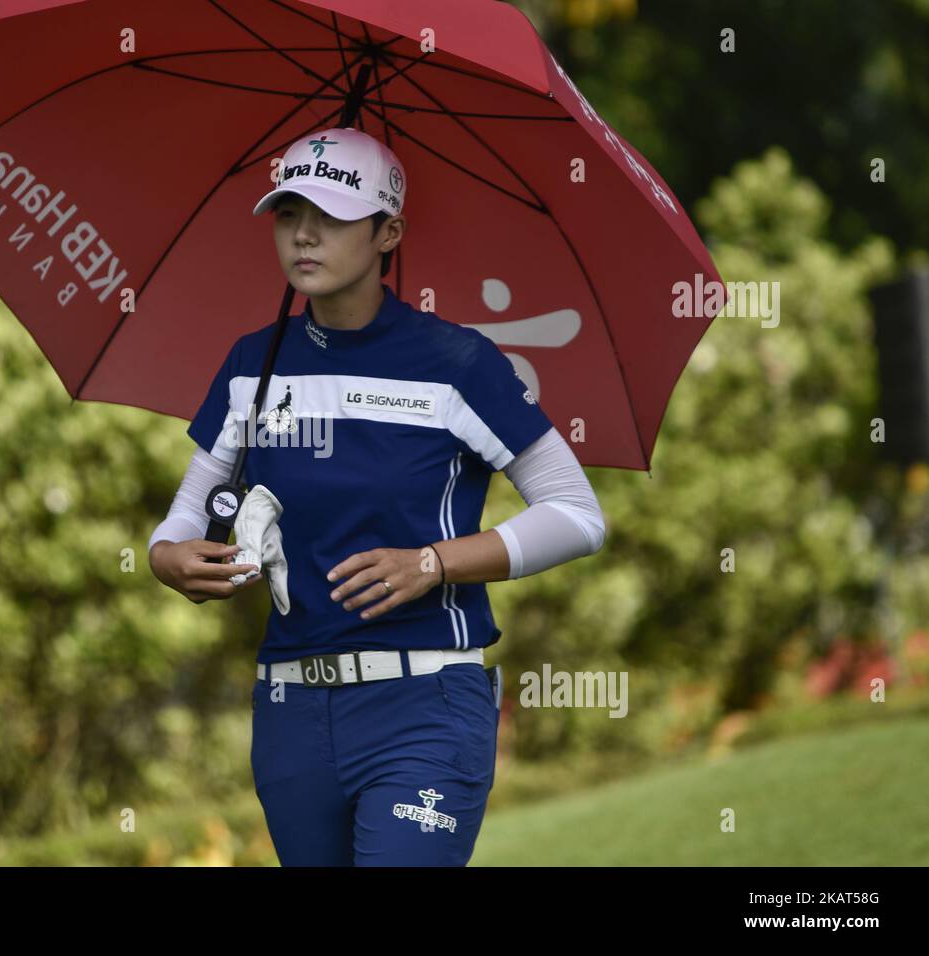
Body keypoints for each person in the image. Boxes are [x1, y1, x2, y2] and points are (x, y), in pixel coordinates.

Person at [149, 127, 606, 866]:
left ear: (388, 231)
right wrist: (167, 558)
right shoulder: (250, 365)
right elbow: (189, 509)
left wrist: (433, 562)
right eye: (289, 212)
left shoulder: (458, 362)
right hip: (290, 710)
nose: (303, 235)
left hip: (425, 707)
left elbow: (578, 515)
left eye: (330, 216)